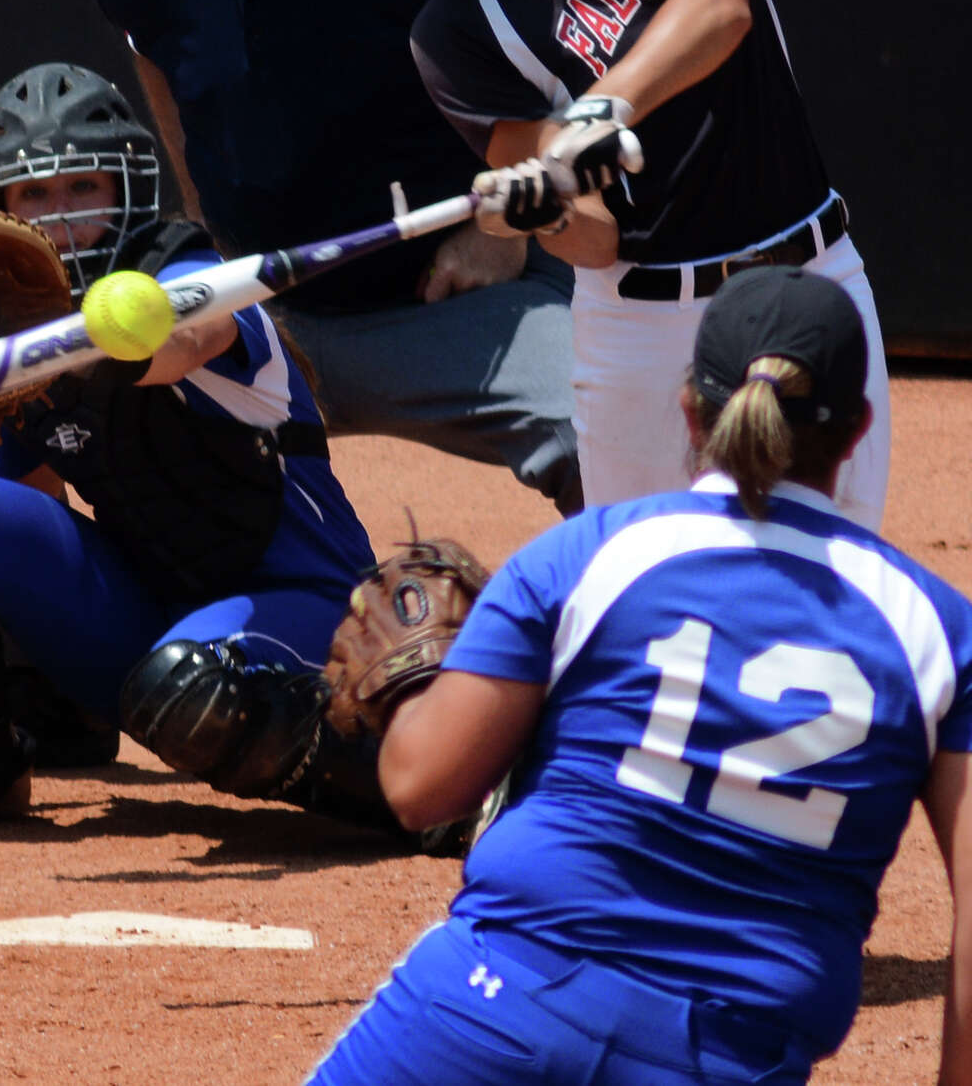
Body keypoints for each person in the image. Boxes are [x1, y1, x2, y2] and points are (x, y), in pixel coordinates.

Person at [303, 266, 972, 1086]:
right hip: (722, 1058)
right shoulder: (938, 631)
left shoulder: (591, 555)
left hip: (491, 1009)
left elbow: (420, 787)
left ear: (691, 407)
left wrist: (412, 687)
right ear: (861, 427)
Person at [0, 62, 404, 838]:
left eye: (83, 188)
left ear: (129, 189)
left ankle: (423, 789)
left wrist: (96, 338)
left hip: (308, 607)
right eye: (34, 195)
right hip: (143, 621)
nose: (62, 217)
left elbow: (187, 338)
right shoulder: (25, 348)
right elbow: (24, 520)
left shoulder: (192, 274)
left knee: (186, 686)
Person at [342, 0, 891, 531]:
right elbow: (596, 238)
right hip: (647, 328)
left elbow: (717, 5)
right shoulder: (457, 31)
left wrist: (603, 105)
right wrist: (544, 210)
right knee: (647, 599)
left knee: (832, 572)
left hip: (812, 279)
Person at [87, 0, 583, 516]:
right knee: (90, 426)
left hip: (451, 295)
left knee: (597, 424)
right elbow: (161, 67)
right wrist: (211, 231)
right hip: (266, 311)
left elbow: (562, 58)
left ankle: (646, 622)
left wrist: (493, 233)